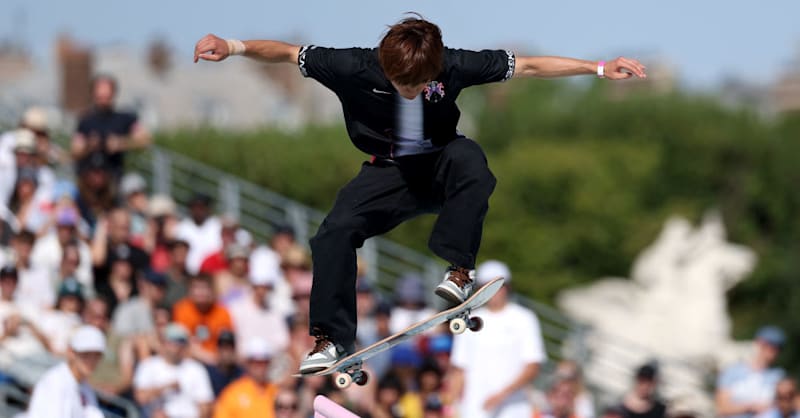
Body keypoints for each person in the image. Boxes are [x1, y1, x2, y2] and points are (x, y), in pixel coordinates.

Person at [193, 15, 645, 373]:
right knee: (332, 233)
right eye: (400, 83)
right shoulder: (349, 65)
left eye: (418, 85)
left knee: (472, 162)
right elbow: (287, 53)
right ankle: (331, 339)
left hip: (441, 162)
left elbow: (527, 65)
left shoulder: (454, 63)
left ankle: (459, 271)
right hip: (387, 173)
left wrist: (599, 68)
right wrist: (232, 47)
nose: (409, 91)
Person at [447, 260, 547, 418]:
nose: (492, 292)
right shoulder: (469, 320)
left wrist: (500, 396)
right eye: (486, 287)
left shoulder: (524, 318)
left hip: (514, 410)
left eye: (497, 286)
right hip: (474, 409)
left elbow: (532, 366)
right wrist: (450, 406)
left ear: (507, 287)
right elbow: (459, 369)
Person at [71, 74, 152, 182]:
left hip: (114, 180)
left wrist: (121, 143)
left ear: (113, 94)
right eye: (100, 97)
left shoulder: (125, 118)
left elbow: (146, 140)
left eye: (107, 96)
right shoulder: (85, 121)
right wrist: (89, 146)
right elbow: (75, 152)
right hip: (88, 182)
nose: (103, 100)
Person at [133, 322, 214, 418]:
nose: (177, 346)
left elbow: (205, 404)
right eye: (173, 341)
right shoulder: (148, 366)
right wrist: (166, 388)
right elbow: (140, 397)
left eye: (181, 341)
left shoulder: (196, 369)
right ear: (163, 343)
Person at [27, 325, 106, 418]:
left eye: (97, 356)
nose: (91, 361)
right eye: (86, 354)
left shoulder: (85, 387)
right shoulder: (55, 382)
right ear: (71, 352)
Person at [716, 326, 786, 418]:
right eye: (768, 345)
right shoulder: (732, 371)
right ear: (758, 343)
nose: (772, 351)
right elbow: (722, 409)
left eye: (777, 347)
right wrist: (750, 407)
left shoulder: (778, 375)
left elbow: (788, 403)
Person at [213, 337, 279, 418]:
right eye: (256, 362)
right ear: (248, 363)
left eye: (264, 362)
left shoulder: (276, 392)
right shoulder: (232, 393)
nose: (260, 367)